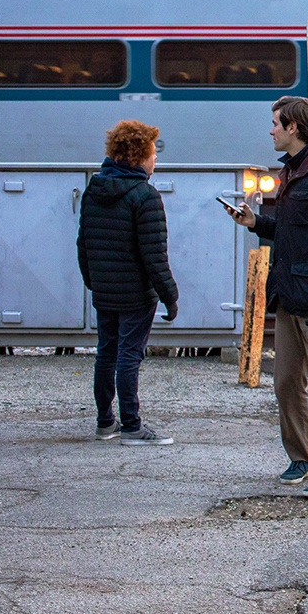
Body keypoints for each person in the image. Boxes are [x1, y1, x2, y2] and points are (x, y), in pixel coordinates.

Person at [229, 96, 308, 497]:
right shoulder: (290, 173)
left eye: (275, 124)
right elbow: (294, 232)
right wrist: (256, 224)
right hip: (287, 294)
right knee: (286, 381)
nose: (270, 130)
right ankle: (301, 457)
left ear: (294, 128)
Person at [78, 120, 178, 446]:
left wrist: (94, 282)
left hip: (105, 290)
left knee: (106, 353)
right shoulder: (144, 195)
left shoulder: (94, 190)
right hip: (136, 293)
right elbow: (154, 256)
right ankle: (132, 427)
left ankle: (105, 422)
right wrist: (170, 296)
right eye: (153, 154)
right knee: (129, 356)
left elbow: (84, 245)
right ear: (140, 155)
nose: (155, 160)